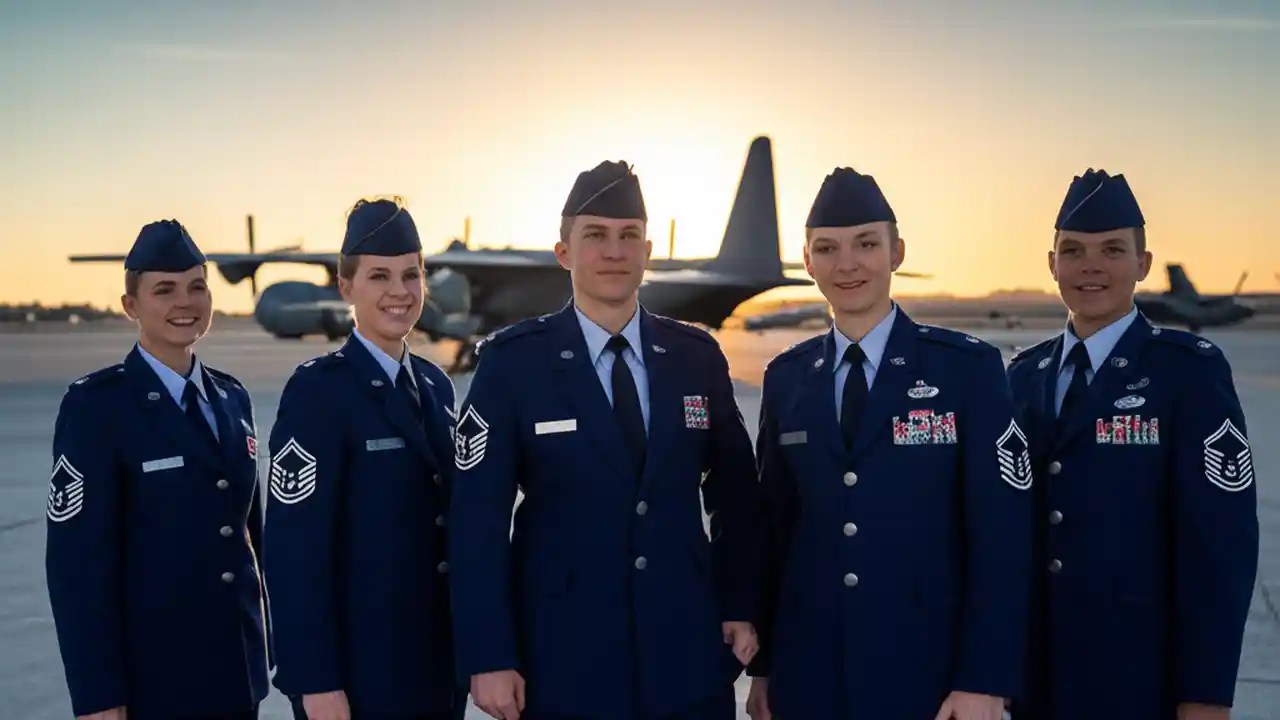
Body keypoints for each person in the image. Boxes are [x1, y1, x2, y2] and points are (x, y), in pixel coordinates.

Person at [449, 161, 761, 720]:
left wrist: (739, 601)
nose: (614, 251)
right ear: (564, 251)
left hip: (686, 652)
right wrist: (489, 653)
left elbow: (735, 492)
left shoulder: (695, 357)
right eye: (595, 235)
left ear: (647, 250)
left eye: (628, 236)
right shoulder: (514, 363)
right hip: (562, 655)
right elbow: (478, 517)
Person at [745, 168, 1032, 720]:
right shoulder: (788, 377)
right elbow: (775, 530)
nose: (847, 263)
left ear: (896, 251)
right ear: (807, 263)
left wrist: (985, 678)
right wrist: (766, 667)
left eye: (866, 244)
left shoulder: (966, 369)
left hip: (927, 670)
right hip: (809, 674)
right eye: (827, 248)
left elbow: (1001, 537)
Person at [1007, 169, 1258, 720]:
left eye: (1112, 250)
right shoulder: (1023, 376)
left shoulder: (1188, 373)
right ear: (1052, 265)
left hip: (1141, 678)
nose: (1090, 265)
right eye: (1072, 251)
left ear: (1142, 265)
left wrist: (1207, 695)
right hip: (1034, 680)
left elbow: (1220, 549)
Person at [45, 219, 270, 720]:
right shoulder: (97, 408)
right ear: (132, 306)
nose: (184, 303)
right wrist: (99, 695)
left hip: (237, 676)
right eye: (164, 290)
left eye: (197, 287)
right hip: (154, 684)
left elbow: (249, 536)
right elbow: (76, 567)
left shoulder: (232, 398)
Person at [264, 198, 464, 720]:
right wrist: (315, 681)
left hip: (435, 669)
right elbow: (292, 551)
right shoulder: (318, 392)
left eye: (411, 275)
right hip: (358, 679)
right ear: (346, 286)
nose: (399, 292)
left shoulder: (436, 385)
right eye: (379, 276)